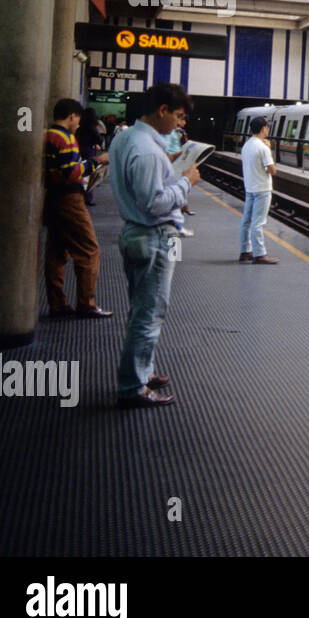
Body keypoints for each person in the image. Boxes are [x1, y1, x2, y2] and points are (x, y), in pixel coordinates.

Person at [108, 83, 200, 408]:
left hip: (137, 234)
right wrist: (185, 182)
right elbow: (154, 203)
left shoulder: (127, 138)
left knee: (141, 310)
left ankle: (142, 372)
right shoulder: (147, 150)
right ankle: (134, 388)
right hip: (153, 237)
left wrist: (169, 165)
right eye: (177, 116)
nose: (180, 123)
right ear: (161, 110)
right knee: (149, 314)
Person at [43, 98, 112, 318]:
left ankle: (58, 304)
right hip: (69, 199)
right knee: (89, 249)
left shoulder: (46, 134)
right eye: (78, 120)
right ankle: (86, 304)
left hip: (52, 198)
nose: (78, 125)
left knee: (57, 252)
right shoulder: (65, 138)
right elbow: (70, 172)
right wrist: (97, 161)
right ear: (72, 116)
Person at [239, 116, 279, 264]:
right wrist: (269, 149)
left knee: (246, 221)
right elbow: (272, 169)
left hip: (250, 187)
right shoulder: (263, 147)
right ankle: (260, 254)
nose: (268, 130)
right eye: (267, 127)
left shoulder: (247, 145)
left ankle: (245, 251)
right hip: (262, 189)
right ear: (263, 129)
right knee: (258, 223)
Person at [161, 110, 194, 237]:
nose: (181, 122)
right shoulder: (178, 132)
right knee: (174, 193)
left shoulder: (169, 133)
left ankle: (178, 221)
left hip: (170, 163)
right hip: (174, 164)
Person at [76, 108, 106, 207]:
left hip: (80, 149)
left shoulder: (80, 126)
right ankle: (88, 197)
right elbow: (99, 138)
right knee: (89, 172)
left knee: (80, 171)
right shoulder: (92, 126)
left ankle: (79, 194)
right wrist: (96, 143)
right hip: (89, 150)